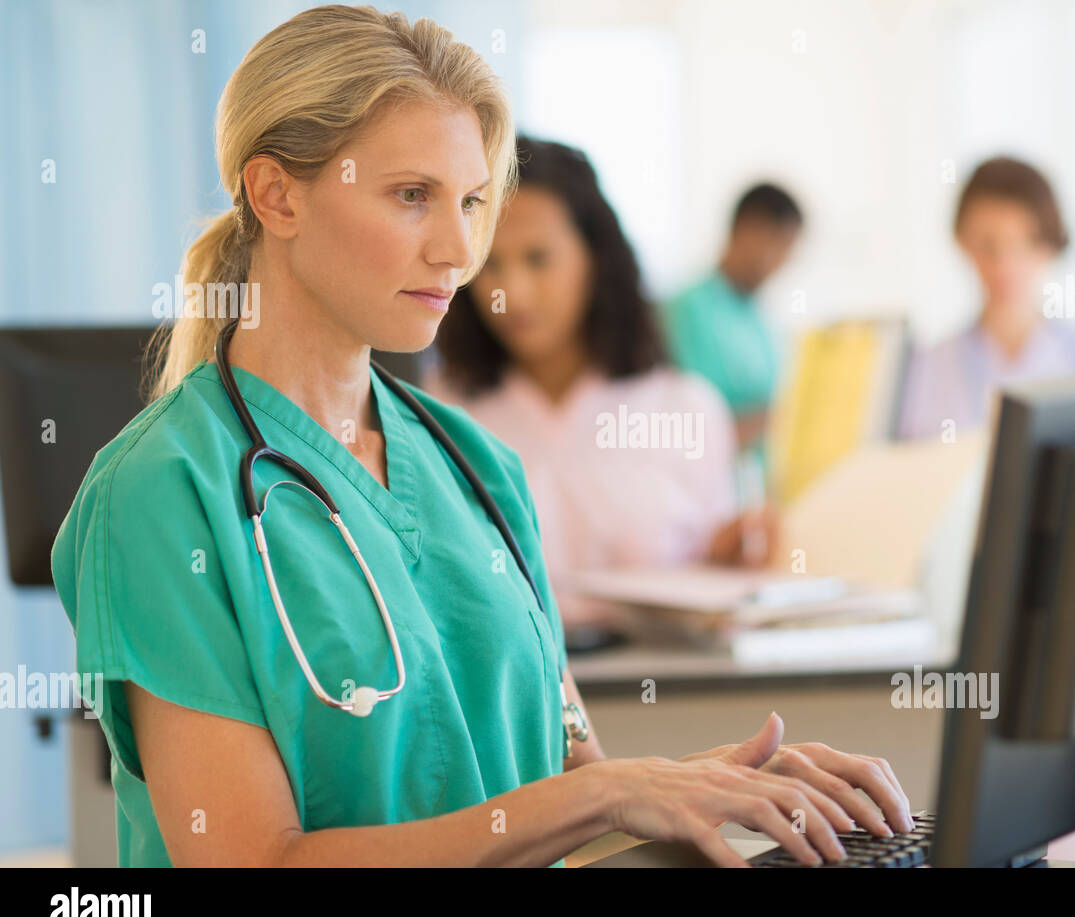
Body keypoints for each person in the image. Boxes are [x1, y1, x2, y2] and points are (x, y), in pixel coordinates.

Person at [50, 5, 911, 868]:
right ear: (277, 194)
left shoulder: (477, 465)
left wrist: (719, 786)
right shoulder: (161, 492)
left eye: (469, 201)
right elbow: (254, 863)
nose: (460, 250)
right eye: (412, 196)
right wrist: (608, 791)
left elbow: (569, 789)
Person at [425, 136, 776, 632]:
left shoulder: (685, 408)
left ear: (595, 258)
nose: (513, 293)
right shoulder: (438, 411)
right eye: (492, 264)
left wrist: (734, 555)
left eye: (539, 258)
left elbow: (717, 582)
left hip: (659, 691)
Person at [896, 156, 1075, 441]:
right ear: (962, 242)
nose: (1005, 265)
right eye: (988, 245)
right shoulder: (922, 371)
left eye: (1025, 244)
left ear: (1050, 244)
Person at [661, 183, 803, 458]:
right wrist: (776, 420)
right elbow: (686, 432)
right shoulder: (687, 309)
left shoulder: (760, 319)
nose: (784, 263)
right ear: (747, 230)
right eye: (781, 245)